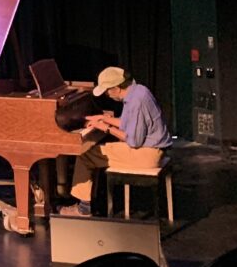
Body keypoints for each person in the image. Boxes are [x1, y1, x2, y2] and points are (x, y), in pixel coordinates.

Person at [61, 66, 173, 217]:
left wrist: (105, 128)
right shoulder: (138, 91)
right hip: (152, 150)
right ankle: (90, 200)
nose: (107, 95)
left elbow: (134, 141)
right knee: (96, 150)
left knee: (86, 154)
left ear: (116, 88)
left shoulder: (136, 102)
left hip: (148, 155)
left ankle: (83, 208)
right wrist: (103, 118)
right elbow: (128, 123)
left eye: (107, 90)